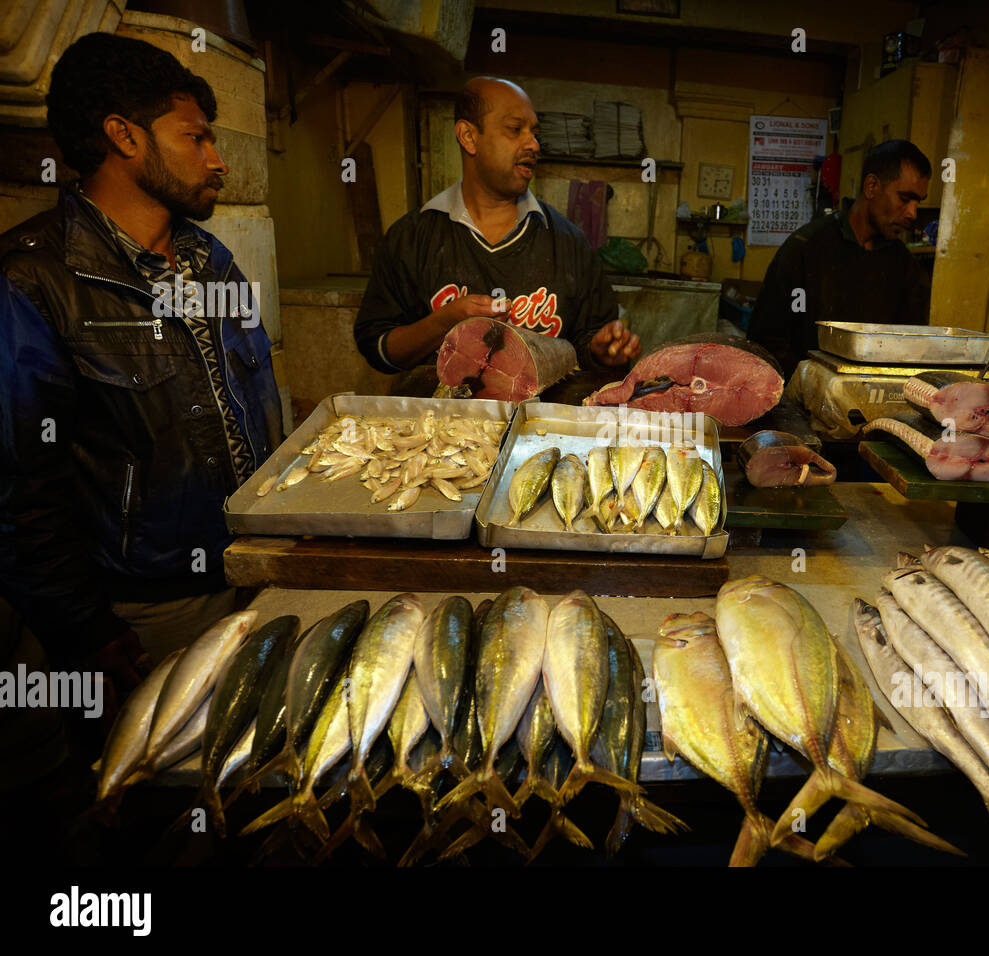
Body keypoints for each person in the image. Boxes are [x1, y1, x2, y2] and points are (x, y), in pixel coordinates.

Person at [0, 32, 284, 715]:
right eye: (196, 139)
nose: (218, 161)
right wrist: (82, 626)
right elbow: (16, 482)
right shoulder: (33, 282)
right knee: (153, 792)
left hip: (255, 572)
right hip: (146, 612)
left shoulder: (209, 260)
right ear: (124, 138)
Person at [354, 77, 640, 377]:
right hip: (439, 423)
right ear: (468, 136)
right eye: (515, 129)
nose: (533, 144)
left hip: (539, 423)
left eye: (535, 133)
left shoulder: (568, 241)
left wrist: (605, 351)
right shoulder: (411, 239)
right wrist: (445, 321)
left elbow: (592, 340)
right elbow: (379, 350)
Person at [748, 139, 932, 377]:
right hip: (800, 403)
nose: (912, 213)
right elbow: (765, 341)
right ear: (872, 186)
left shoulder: (905, 267)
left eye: (918, 202)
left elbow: (910, 347)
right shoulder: (805, 249)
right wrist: (806, 387)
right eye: (905, 199)